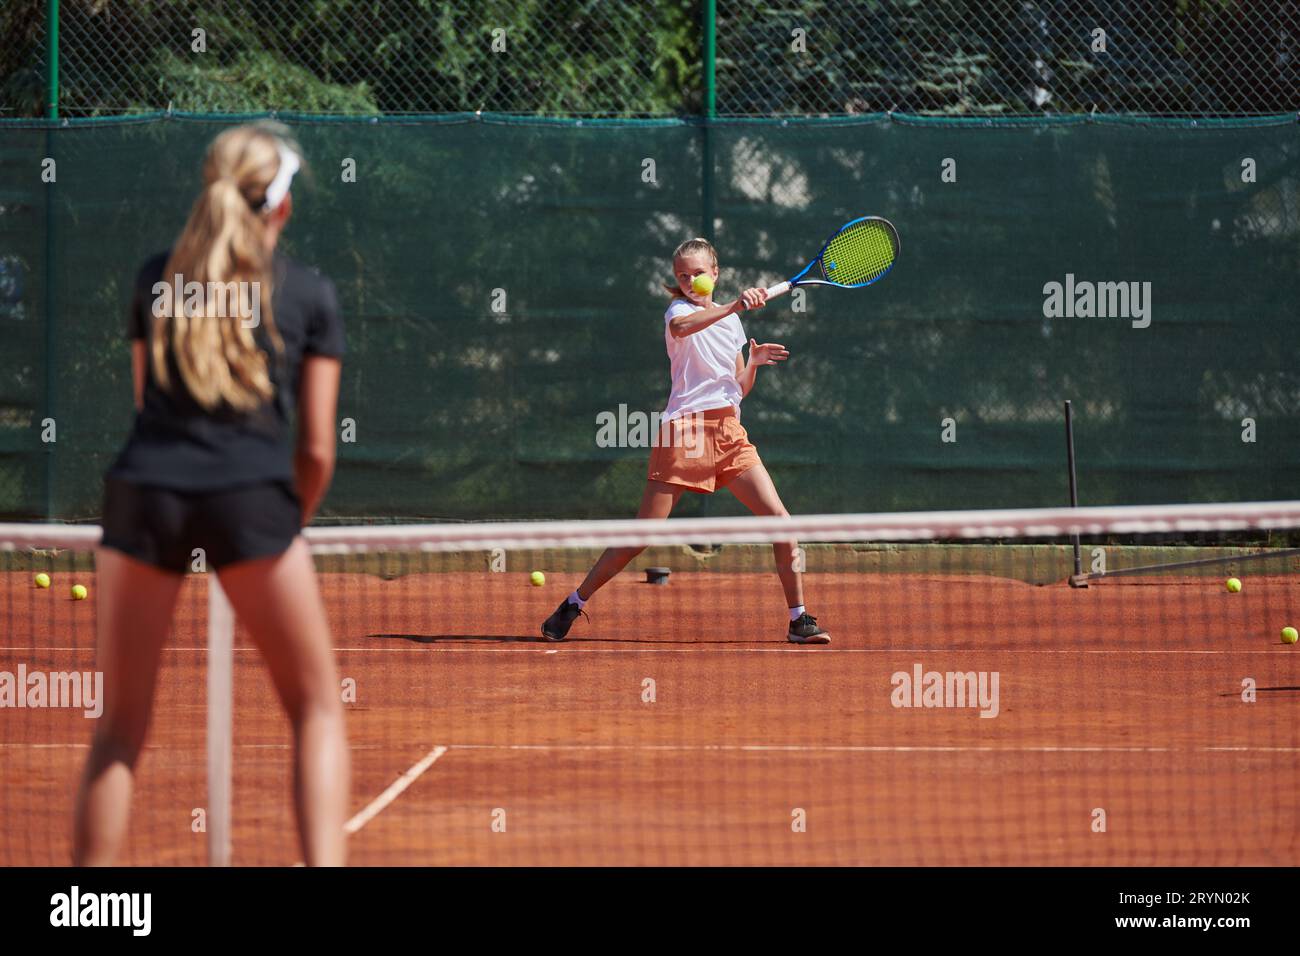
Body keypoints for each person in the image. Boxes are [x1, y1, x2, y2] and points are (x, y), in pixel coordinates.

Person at [73, 123, 350, 865]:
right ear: (281, 208)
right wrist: (284, 526)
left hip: (142, 492)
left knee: (118, 730)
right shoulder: (312, 294)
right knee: (318, 710)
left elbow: (145, 408)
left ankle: (85, 916)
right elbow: (317, 449)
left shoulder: (153, 279)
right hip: (253, 498)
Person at [542, 237, 830, 645]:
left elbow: (737, 387)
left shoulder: (732, 323)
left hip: (730, 433)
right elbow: (682, 328)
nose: (691, 279)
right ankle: (574, 602)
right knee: (641, 537)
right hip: (687, 433)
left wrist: (755, 363)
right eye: (682, 275)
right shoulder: (677, 311)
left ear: (715, 273)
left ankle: (799, 620)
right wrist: (732, 305)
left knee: (782, 522)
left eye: (698, 272)